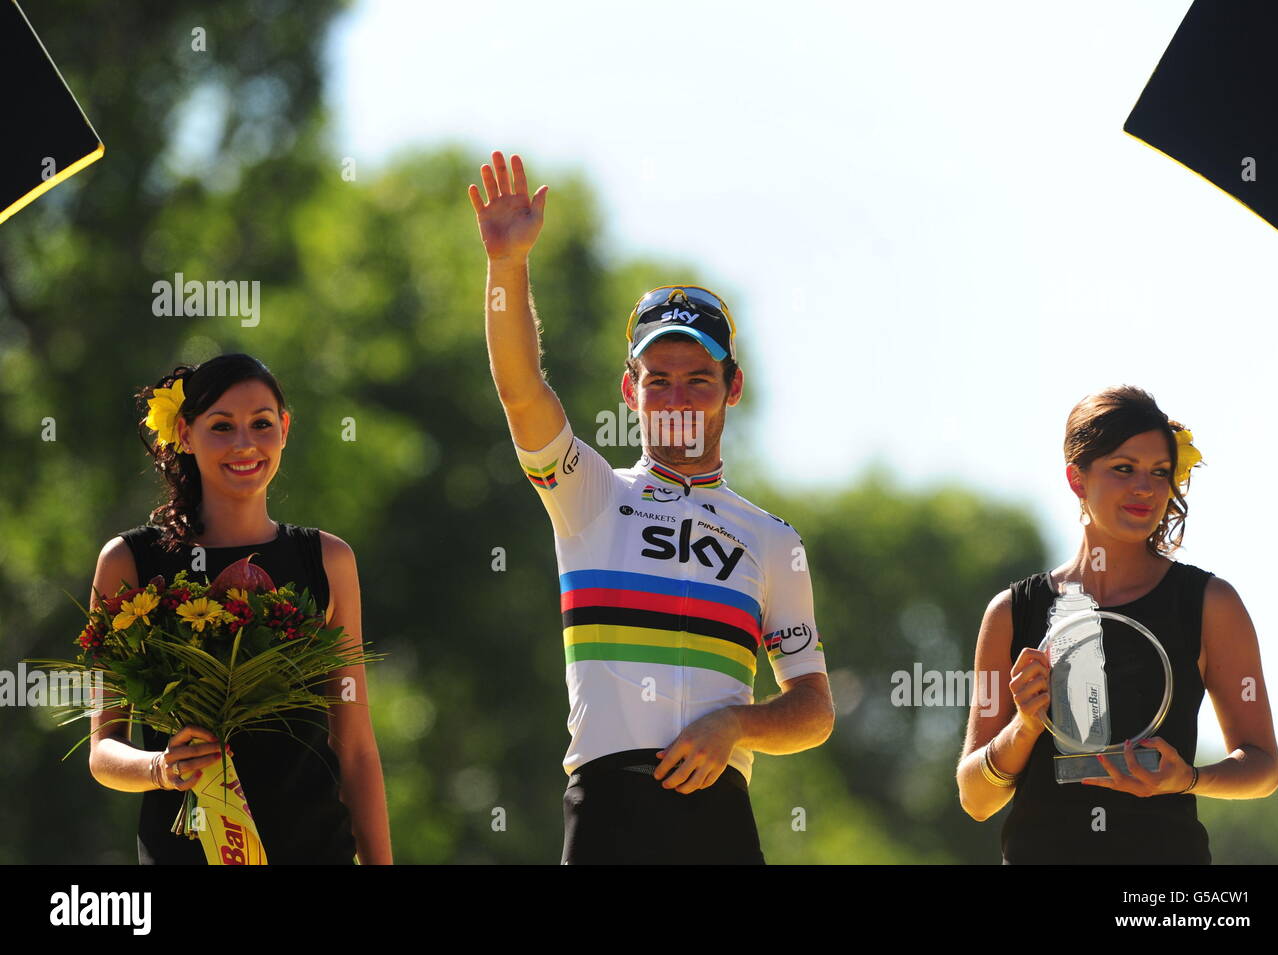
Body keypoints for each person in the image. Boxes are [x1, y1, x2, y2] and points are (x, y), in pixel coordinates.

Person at [468, 151, 835, 864]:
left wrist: (735, 724)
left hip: (718, 815)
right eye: (657, 380)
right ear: (630, 390)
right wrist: (507, 266)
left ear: (733, 387)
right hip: (607, 809)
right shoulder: (593, 494)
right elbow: (521, 392)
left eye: (698, 378)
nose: (677, 398)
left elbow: (814, 710)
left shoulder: (772, 539)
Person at [86, 353, 392, 864]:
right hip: (183, 853)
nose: (245, 444)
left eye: (261, 424)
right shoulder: (128, 562)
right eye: (222, 426)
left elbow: (356, 748)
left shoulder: (328, 560)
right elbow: (102, 752)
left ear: (285, 429)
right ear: (184, 433)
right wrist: (163, 767)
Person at [957, 385, 1278, 863]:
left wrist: (1188, 779)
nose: (1145, 489)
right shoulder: (1011, 612)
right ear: (1076, 479)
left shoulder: (1211, 603)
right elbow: (975, 799)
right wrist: (1025, 726)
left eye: (1160, 473)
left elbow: (1264, 767)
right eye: (1123, 469)